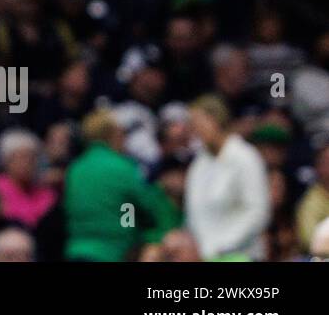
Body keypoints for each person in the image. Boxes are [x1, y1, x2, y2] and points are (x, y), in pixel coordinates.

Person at [64, 108, 180, 261]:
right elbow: (149, 207)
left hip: (76, 252)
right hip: (114, 253)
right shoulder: (123, 167)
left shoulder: (75, 169)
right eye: (122, 134)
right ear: (112, 134)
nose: (124, 139)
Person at [184, 94, 270, 260]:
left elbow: (258, 212)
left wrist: (223, 246)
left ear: (216, 120)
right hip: (204, 256)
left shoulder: (246, 157)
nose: (195, 131)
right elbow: (193, 214)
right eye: (192, 126)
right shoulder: (198, 164)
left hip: (241, 255)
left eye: (198, 124)